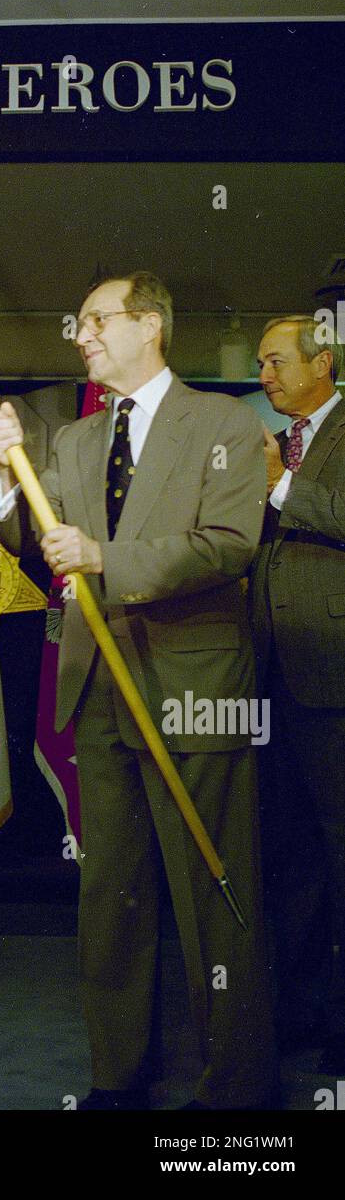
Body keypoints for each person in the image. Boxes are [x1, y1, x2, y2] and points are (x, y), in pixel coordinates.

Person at [0, 271, 276, 1110]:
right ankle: (118, 1073)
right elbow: (39, 545)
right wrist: (7, 476)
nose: (82, 335)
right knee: (111, 893)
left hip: (193, 687)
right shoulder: (75, 441)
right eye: (79, 324)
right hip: (97, 687)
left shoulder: (223, 423)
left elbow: (227, 544)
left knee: (213, 890)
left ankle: (238, 1087)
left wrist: (107, 559)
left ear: (151, 326)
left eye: (98, 321)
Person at [250, 314, 345, 1075]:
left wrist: (277, 485)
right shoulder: (271, 445)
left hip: (334, 678)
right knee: (294, 860)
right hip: (272, 680)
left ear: (324, 361)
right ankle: (302, 1011)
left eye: (276, 361)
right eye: (258, 363)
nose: (264, 376)